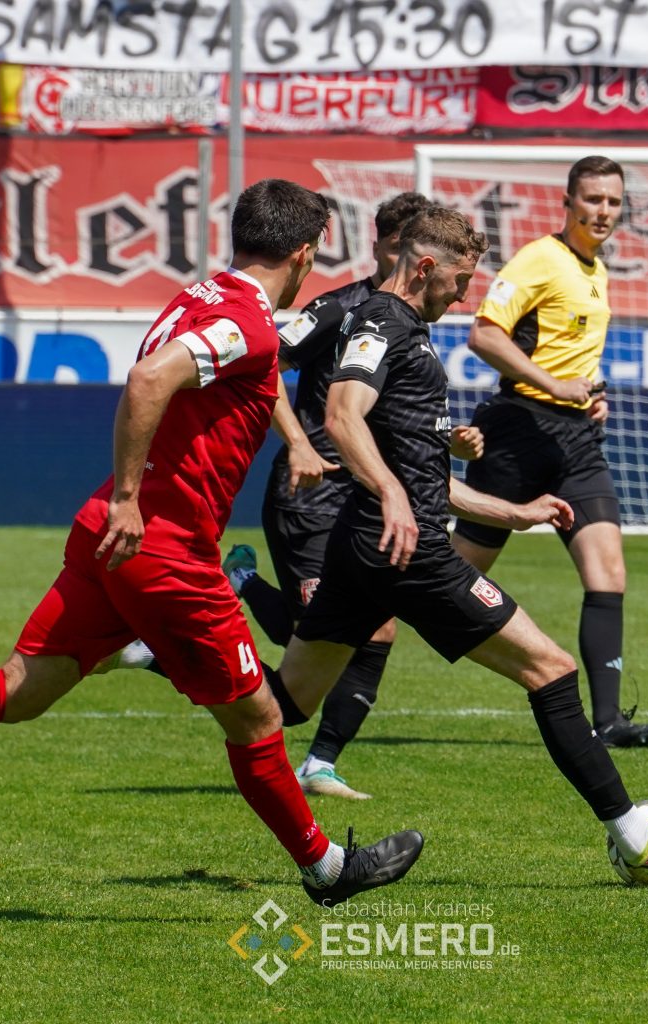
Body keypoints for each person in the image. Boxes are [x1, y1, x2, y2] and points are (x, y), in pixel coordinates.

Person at [0, 179, 425, 910]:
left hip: (112, 534)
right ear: (304, 252)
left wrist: (276, 443)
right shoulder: (247, 322)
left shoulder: (203, 298)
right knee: (258, 720)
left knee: (17, 691)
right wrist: (131, 497)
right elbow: (149, 379)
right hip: (161, 547)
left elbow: (234, 371)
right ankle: (327, 870)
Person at [263, 206, 648, 884]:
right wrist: (390, 493)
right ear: (425, 267)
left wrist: (512, 511)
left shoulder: (404, 329)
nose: (464, 295)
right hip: (405, 552)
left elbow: (423, 478)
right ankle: (636, 836)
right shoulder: (382, 324)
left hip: (364, 547)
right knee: (551, 669)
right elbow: (341, 415)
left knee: (287, 702)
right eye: (460, 280)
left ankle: (162, 651)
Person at [222, 191, 475, 801]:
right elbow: (263, 364)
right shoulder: (337, 308)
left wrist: (450, 439)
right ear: (385, 246)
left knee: (372, 632)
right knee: (314, 634)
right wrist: (298, 444)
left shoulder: (411, 321)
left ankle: (319, 763)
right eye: (397, 245)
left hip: (365, 499)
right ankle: (220, 608)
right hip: (312, 494)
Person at [451, 155, 648, 750]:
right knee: (446, 579)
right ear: (568, 202)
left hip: (577, 440)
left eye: (613, 201)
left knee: (609, 573)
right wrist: (554, 386)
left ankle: (609, 722)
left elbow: (569, 358)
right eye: (593, 199)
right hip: (518, 433)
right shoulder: (539, 258)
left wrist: (590, 397)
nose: (604, 211)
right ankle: (353, 630)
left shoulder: (596, 269)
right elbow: (484, 334)